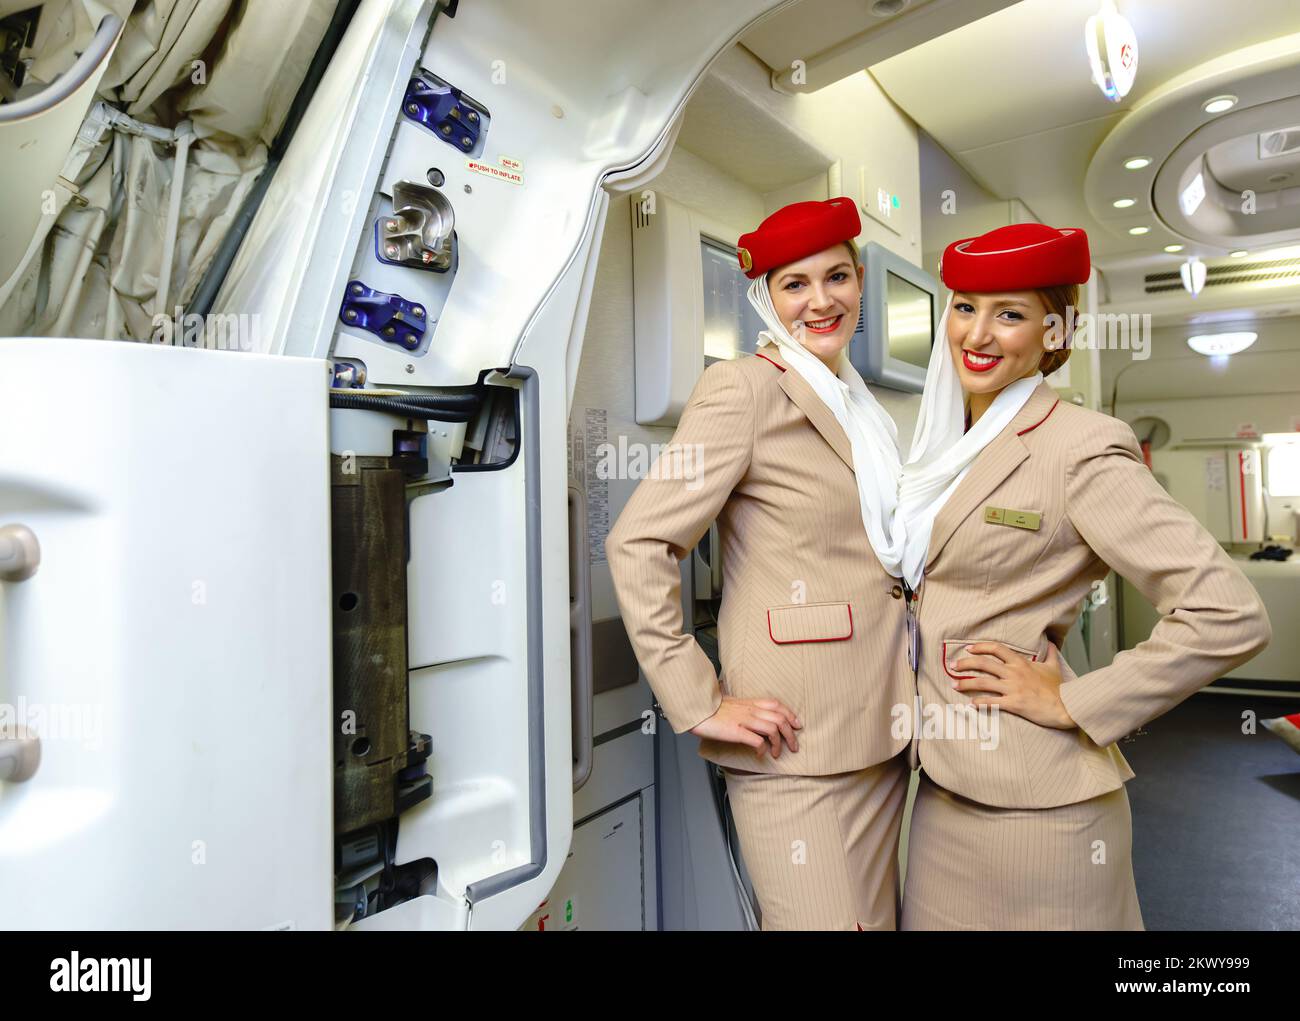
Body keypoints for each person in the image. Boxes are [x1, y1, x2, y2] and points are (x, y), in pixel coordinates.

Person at [893, 223, 1272, 929]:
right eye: (965, 305)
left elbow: (1228, 612)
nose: (977, 333)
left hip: (1042, 808)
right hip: (941, 797)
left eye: (1010, 313)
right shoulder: (942, 447)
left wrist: (1080, 700)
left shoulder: (1080, 446)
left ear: (1053, 331)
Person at [605, 197, 916, 929]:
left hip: (878, 731)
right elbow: (640, 542)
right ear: (765, 298)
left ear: (861, 281)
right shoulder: (743, 390)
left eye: (836, 277)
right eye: (795, 284)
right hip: (796, 745)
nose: (820, 300)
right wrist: (702, 700)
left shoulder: (861, 407)